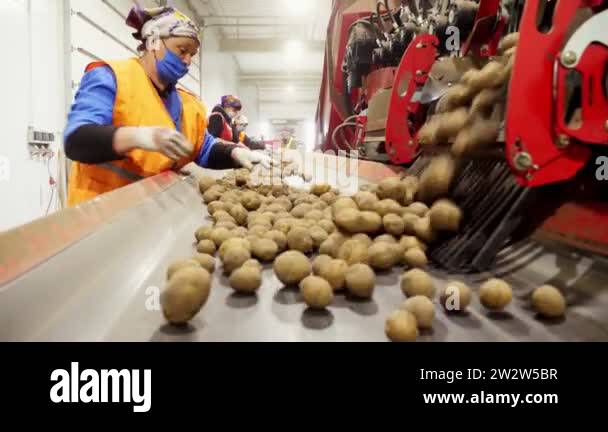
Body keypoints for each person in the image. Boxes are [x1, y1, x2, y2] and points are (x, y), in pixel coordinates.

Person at [63, 6, 270, 207]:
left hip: (154, 215)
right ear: (153, 42)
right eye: (182, 50)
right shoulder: (112, 77)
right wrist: (139, 137)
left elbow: (202, 148)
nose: (188, 61)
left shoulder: (188, 103)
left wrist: (233, 153)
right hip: (101, 213)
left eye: (192, 54)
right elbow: (77, 140)